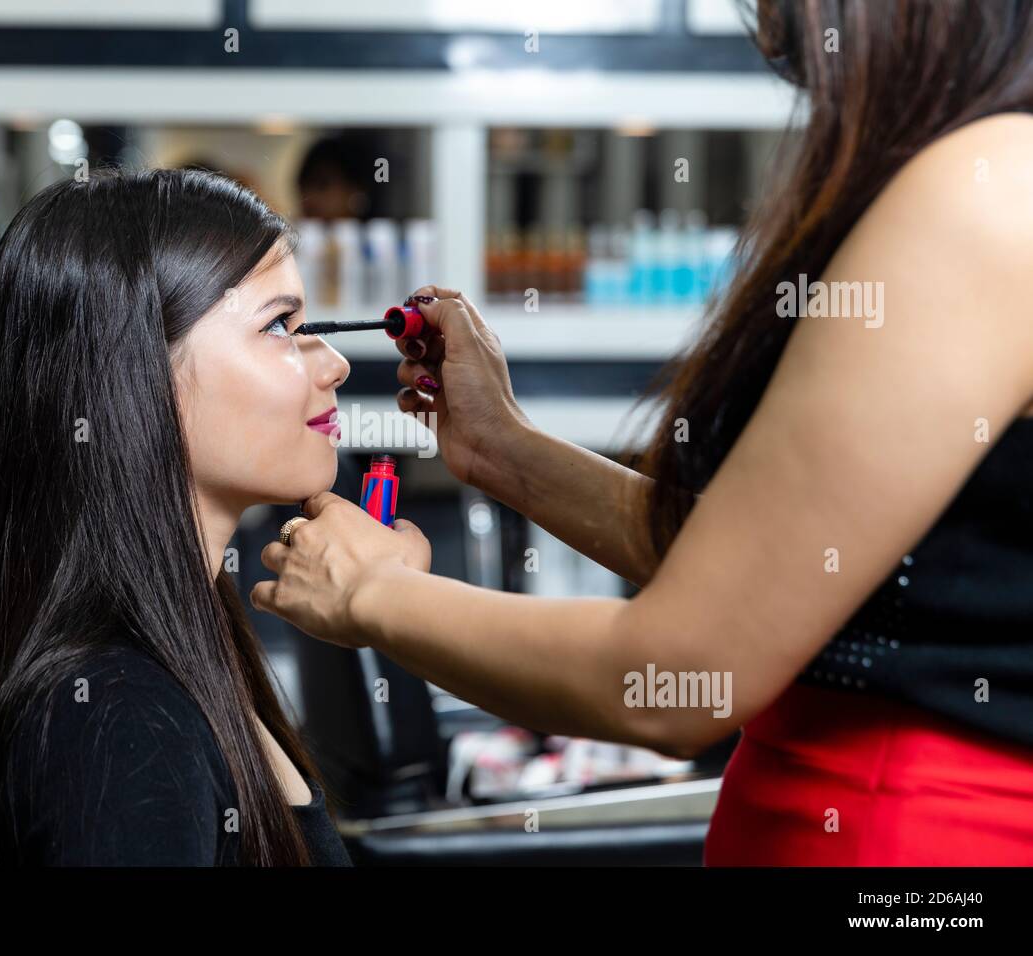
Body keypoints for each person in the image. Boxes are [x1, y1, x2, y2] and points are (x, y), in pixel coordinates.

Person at [251, 0, 1033, 865]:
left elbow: (681, 678)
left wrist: (374, 595)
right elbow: (757, 570)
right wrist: (503, 449)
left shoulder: (986, 189)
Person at [0, 168, 357, 866]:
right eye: (280, 325)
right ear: (136, 372)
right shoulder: (120, 721)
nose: (332, 364)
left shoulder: (183, 637)